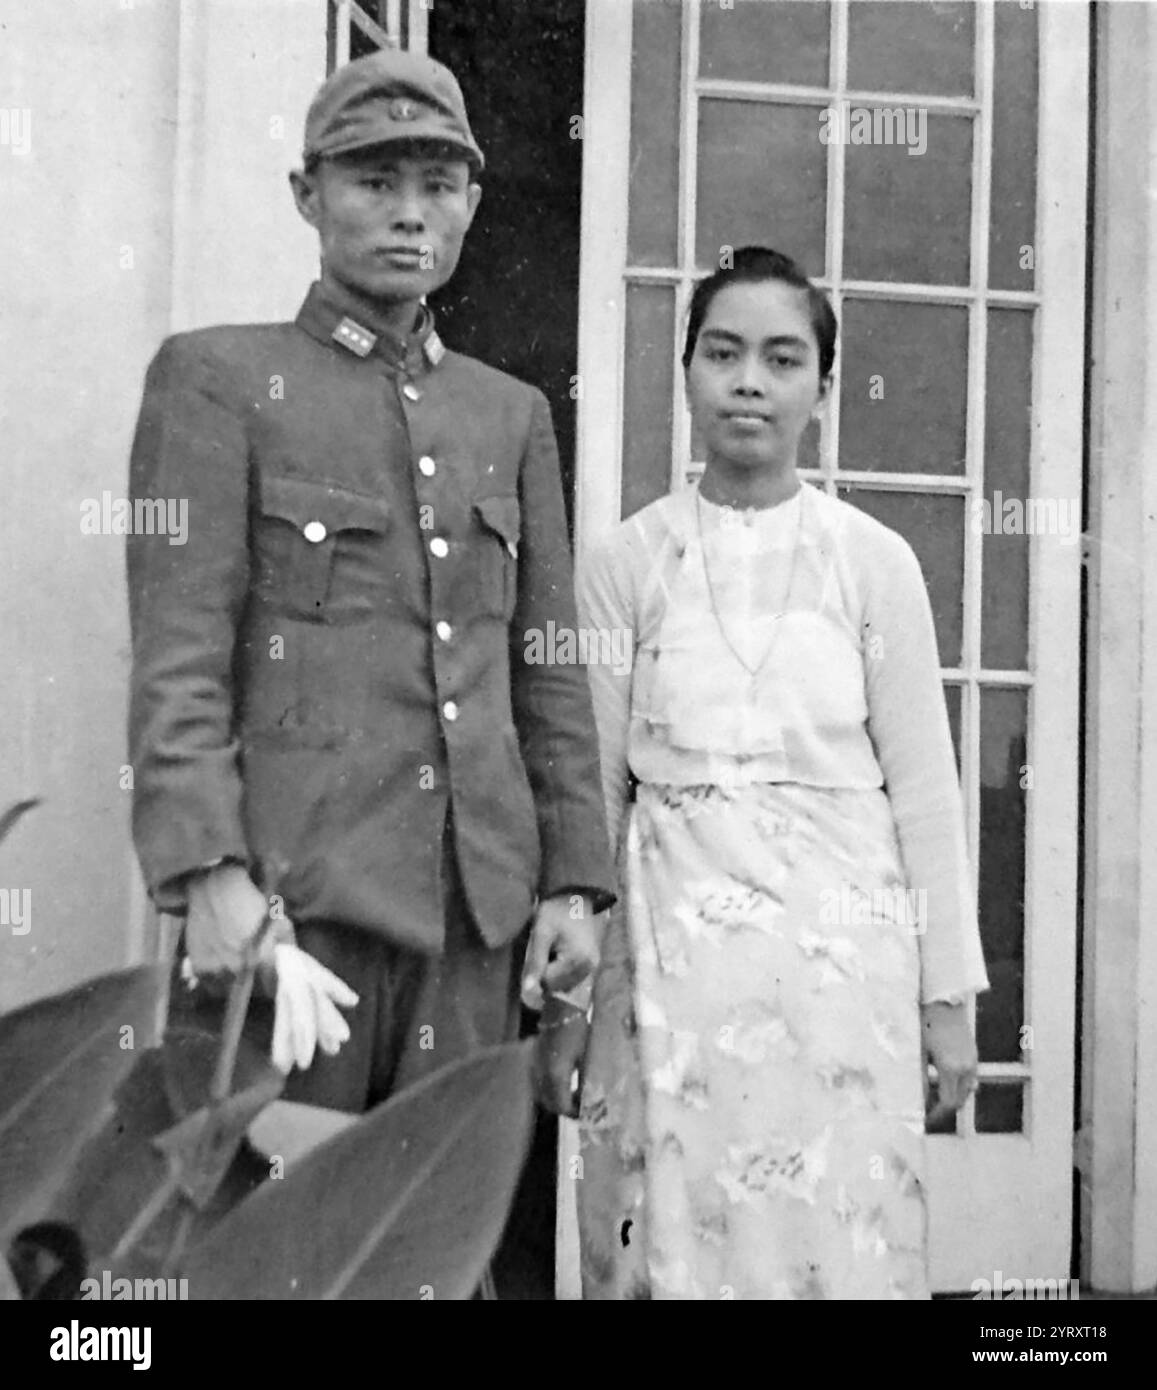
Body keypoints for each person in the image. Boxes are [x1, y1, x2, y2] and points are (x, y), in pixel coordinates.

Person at [126, 48, 615, 1108]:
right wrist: (209, 875)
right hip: (294, 908)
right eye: (372, 182)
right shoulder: (216, 381)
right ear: (307, 195)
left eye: (436, 186)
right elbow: (180, 661)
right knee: (271, 1233)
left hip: (475, 922)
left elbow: (547, 668)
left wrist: (574, 882)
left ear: (473, 204)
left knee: (438, 1238)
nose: (408, 215)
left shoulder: (509, 413)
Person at [543, 247, 989, 1299]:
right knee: (663, 1226)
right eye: (723, 352)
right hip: (668, 942)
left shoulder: (870, 560)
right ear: (687, 373)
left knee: (834, 1231)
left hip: (842, 952)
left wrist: (948, 995)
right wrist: (566, 1006)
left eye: (782, 359)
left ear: (821, 392)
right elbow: (593, 784)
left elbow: (924, 787)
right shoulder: (625, 562)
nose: (749, 380)